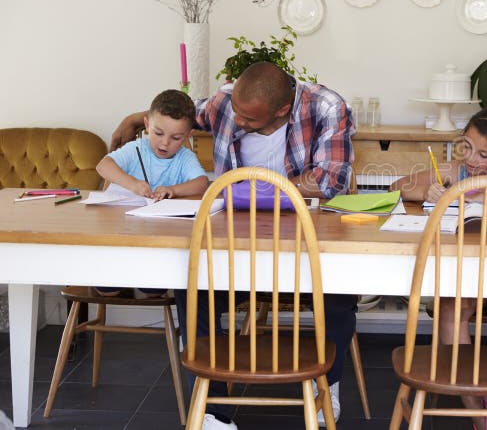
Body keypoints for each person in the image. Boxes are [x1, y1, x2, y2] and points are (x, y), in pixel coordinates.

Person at [111, 62, 357, 430]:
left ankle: (328, 389)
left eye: (248, 119)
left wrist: (253, 186)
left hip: (304, 238)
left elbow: (331, 179)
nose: (236, 121)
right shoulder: (225, 102)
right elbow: (185, 112)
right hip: (235, 243)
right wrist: (136, 119)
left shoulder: (326, 108)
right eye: (235, 113)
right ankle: (212, 409)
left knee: (340, 293)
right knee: (191, 289)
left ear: (282, 110)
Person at [390, 107, 487, 430]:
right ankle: (480, 418)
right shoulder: (456, 171)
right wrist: (426, 192)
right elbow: (396, 186)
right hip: (462, 274)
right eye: (467, 146)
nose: (471, 158)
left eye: (484, 154)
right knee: (452, 308)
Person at [95, 89, 208, 297]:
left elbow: (201, 183)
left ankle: (144, 279)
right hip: (120, 239)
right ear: (147, 125)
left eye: (175, 137)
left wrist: (173, 190)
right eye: (158, 133)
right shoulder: (136, 149)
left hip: (158, 245)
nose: (165, 143)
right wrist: (133, 184)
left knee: (154, 288)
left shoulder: (184, 158)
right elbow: (103, 166)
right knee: (106, 289)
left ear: (188, 136)